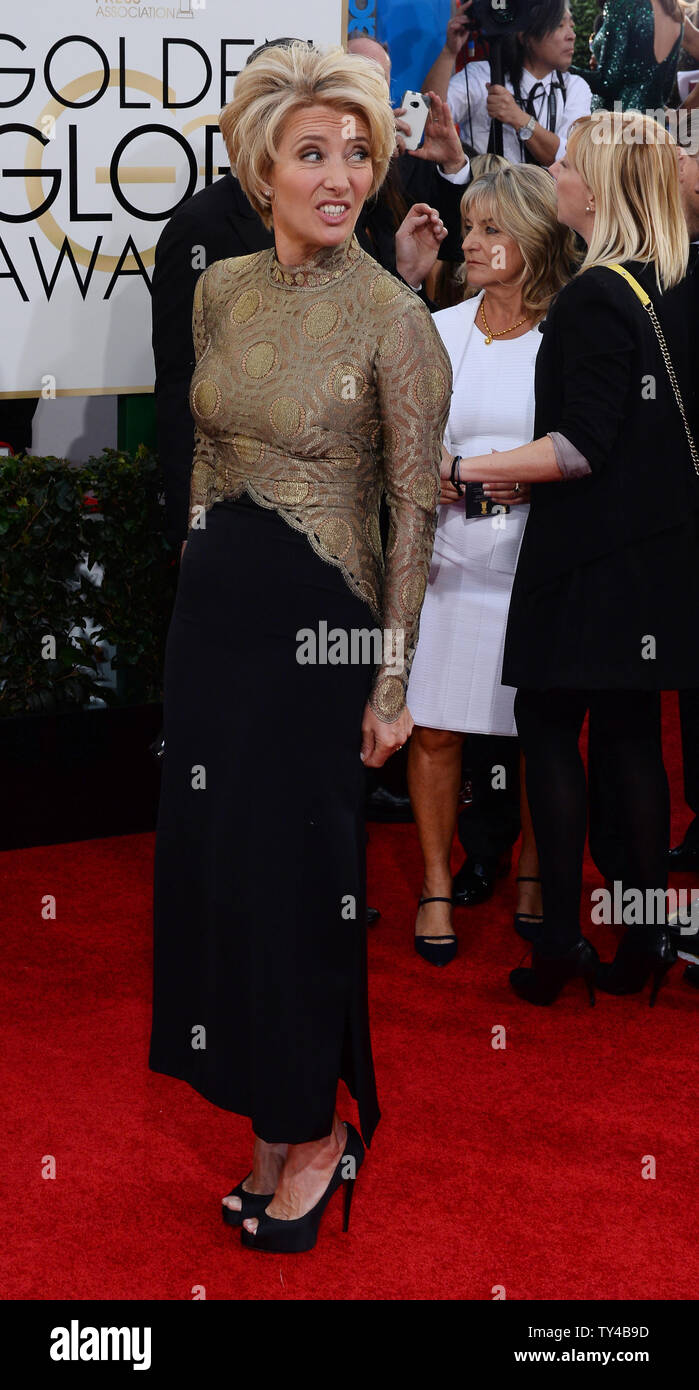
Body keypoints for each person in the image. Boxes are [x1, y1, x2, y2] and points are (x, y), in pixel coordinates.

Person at [148, 41, 452, 1253]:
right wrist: (195, 556)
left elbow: (414, 510)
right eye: (312, 153)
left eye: (358, 154)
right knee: (220, 876)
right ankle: (267, 1123)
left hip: (322, 635)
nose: (339, 175)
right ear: (261, 169)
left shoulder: (392, 319)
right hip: (217, 622)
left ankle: (322, 1132)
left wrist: (392, 677)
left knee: (298, 884)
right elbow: (206, 446)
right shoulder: (219, 288)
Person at [439, 109, 699, 1006]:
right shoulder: (678, 279)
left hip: (584, 555)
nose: (554, 176)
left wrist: (465, 468)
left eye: (569, 166)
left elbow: (580, 445)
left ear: (599, 187)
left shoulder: (594, 293)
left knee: (549, 731)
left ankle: (557, 942)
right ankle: (647, 932)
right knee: (630, 738)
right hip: (659, 559)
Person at [152, 35, 470, 553]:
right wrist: (189, 527)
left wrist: (406, 278)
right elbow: (180, 392)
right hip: (231, 532)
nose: (337, 178)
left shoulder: (345, 207)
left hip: (347, 541)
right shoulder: (202, 230)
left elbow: (375, 331)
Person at [405, 163, 579, 964]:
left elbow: (589, 449)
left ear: (533, 238)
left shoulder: (570, 336)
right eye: (467, 228)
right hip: (446, 563)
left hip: (537, 565)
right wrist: (433, 468)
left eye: (488, 230)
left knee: (535, 737)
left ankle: (537, 874)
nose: (469, 243)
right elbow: (403, 437)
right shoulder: (439, 329)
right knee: (435, 729)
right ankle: (437, 883)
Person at [423, 0, 591, 167]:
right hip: (481, 192)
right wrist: (449, 51)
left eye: (572, 26)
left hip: (549, 194)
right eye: (560, 25)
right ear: (525, 35)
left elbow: (570, 156)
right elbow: (430, 116)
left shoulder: (574, 87)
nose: (572, 36)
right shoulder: (482, 75)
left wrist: (519, 118)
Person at [573, 0, 699, 112]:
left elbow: (607, 84)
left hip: (616, 125)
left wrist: (563, 68)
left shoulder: (622, 5)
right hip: (653, 126)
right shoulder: (672, 10)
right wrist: (681, 114)